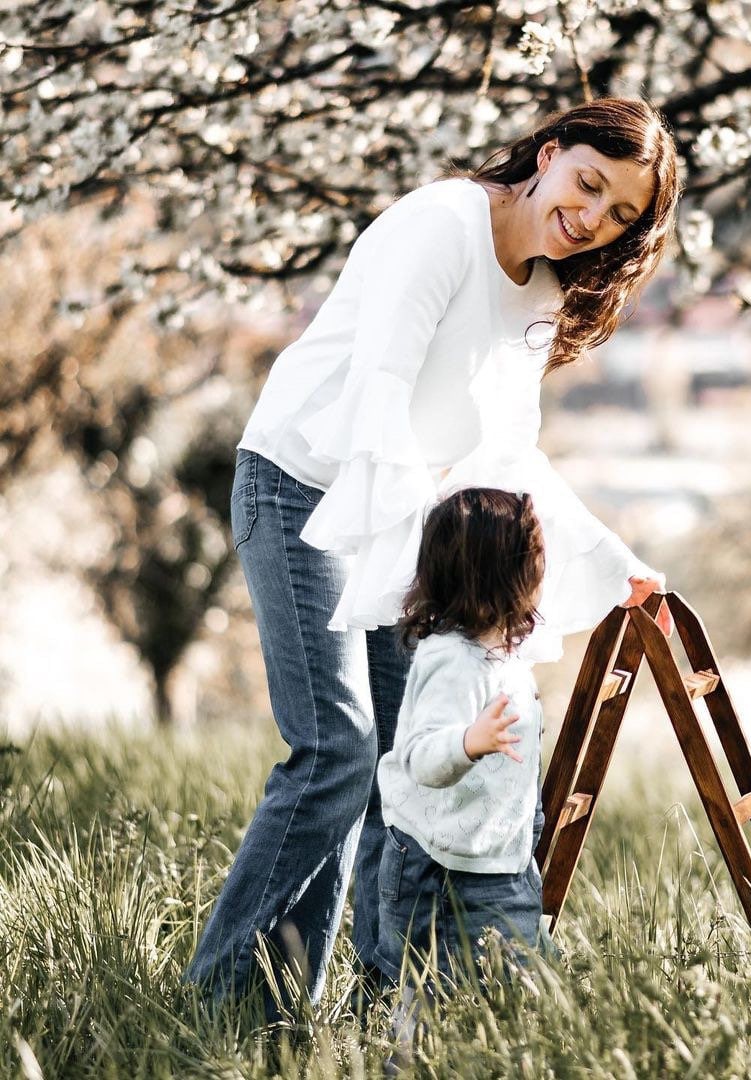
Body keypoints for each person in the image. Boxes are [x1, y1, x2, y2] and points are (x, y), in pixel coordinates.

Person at [184, 97, 680, 1019]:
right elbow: (378, 395)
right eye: (590, 184)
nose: (591, 218)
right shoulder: (440, 225)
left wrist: (616, 564)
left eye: (619, 216)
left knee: (405, 769)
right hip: (303, 487)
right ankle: (227, 1006)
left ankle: (375, 1010)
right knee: (340, 748)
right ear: (552, 149)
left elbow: (508, 456)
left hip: (405, 516)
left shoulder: (542, 289)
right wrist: (434, 562)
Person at [375, 487, 548, 992]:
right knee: (434, 999)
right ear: (496, 574)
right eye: (533, 561)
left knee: (503, 994)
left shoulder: (504, 654)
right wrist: (469, 742)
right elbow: (420, 756)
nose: (542, 574)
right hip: (440, 871)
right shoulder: (452, 660)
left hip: (494, 858)